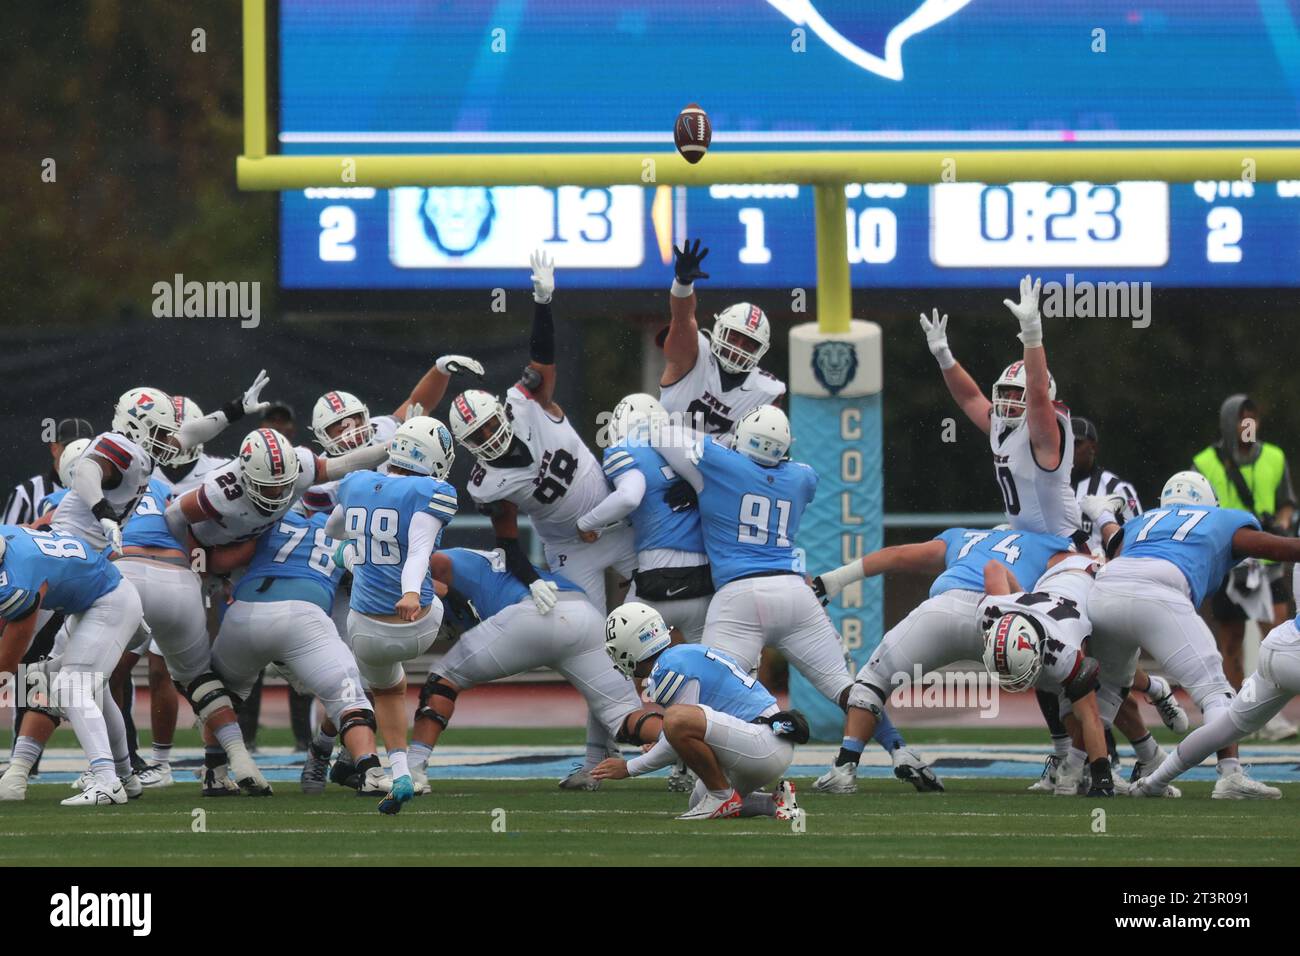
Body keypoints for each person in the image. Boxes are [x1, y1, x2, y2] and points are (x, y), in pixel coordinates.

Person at [654, 404, 940, 789]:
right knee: (846, 687)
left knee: (717, 688)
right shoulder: (802, 478)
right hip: (793, 592)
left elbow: (662, 434)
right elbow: (784, 473)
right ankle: (899, 750)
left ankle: (697, 772)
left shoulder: (719, 461)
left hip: (739, 595)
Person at [449, 250, 636, 789]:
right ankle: (596, 760)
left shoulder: (527, 401)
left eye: (489, 427)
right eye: (476, 438)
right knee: (596, 651)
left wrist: (544, 301)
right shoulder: (486, 483)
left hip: (617, 524)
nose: (488, 438)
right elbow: (507, 543)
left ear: (500, 414)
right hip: (568, 547)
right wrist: (533, 583)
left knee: (655, 626)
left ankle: (682, 736)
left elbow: (544, 353)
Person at [1087, 470, 1300, 798]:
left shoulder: (1144, 521)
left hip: (1104, 593)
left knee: (1105, 693)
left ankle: (1086, 772)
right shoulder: (1220, 519)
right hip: (1160, 591)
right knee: (1215, 692)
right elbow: (1272, 548)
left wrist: (1102, 515)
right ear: (1208, 501)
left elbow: (1115, 542)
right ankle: (1229, 775)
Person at [407, 547, 665, 794]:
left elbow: (435, 563)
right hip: (584, 615)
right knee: (624, 718)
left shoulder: (437, 565)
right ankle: (689, 738)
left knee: (443, 680)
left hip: (531, 614)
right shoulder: (489, 567)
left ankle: (413, 769)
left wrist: (417, 588)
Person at [326, 416, 459, 814]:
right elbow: (420, 550)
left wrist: (354, 547)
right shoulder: (431, 490)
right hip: (416, 623)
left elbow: (335, 528)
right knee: (427, 584)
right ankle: (402, 774)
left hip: (363, 629)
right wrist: (408, 593)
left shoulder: (357, 482)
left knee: (386, 690)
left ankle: (399, 772)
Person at [593, 601, 805, 822]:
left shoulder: (668, 667)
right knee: (699, 799)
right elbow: (687, 730)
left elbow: (679, 725)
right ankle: (775, 803)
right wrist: (668, 741)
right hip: (765, 739)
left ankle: (723, 796)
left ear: (629, 648)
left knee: (675, 721)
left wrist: (628, 767)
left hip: (761, 745)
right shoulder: (682, 654)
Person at [0, 526, 145, 806]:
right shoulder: (8, 541)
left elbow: (7, 661)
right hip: (93, 603)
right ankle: (125, 775)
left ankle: (107, 781)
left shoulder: (18, 582)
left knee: (70, 687)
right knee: (93, 692)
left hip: (109, 602)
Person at [1192, 394, 1297, 740]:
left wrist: (1280, 525)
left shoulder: (1274, 457)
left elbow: (1286, 503)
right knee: (1232, 642)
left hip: (1268, 561)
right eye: (1241, 419)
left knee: (1279, 632)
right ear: (1228, 423)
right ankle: (1237, 711)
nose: (1248, 426)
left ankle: (1274, 714)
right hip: (1230, 562)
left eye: (1252, 419)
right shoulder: (1205, 462)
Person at [657, 238, 786, 435]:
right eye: (734, 338)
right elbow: (683, 318)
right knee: (638, 406)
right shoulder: (694, 353)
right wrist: (683, 284)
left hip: (716, 466)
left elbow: (766, 446)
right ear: (719, 330)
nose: (738, 348)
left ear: (760, 350)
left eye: (749, 344)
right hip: (661, 459)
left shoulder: (767, 392)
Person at [3, 417, 95, 525]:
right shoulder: (26, 493)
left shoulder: (104, 490)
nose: (76, 453)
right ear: (54, 449)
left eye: (84, 447)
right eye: (69, 446)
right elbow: (6, 538)